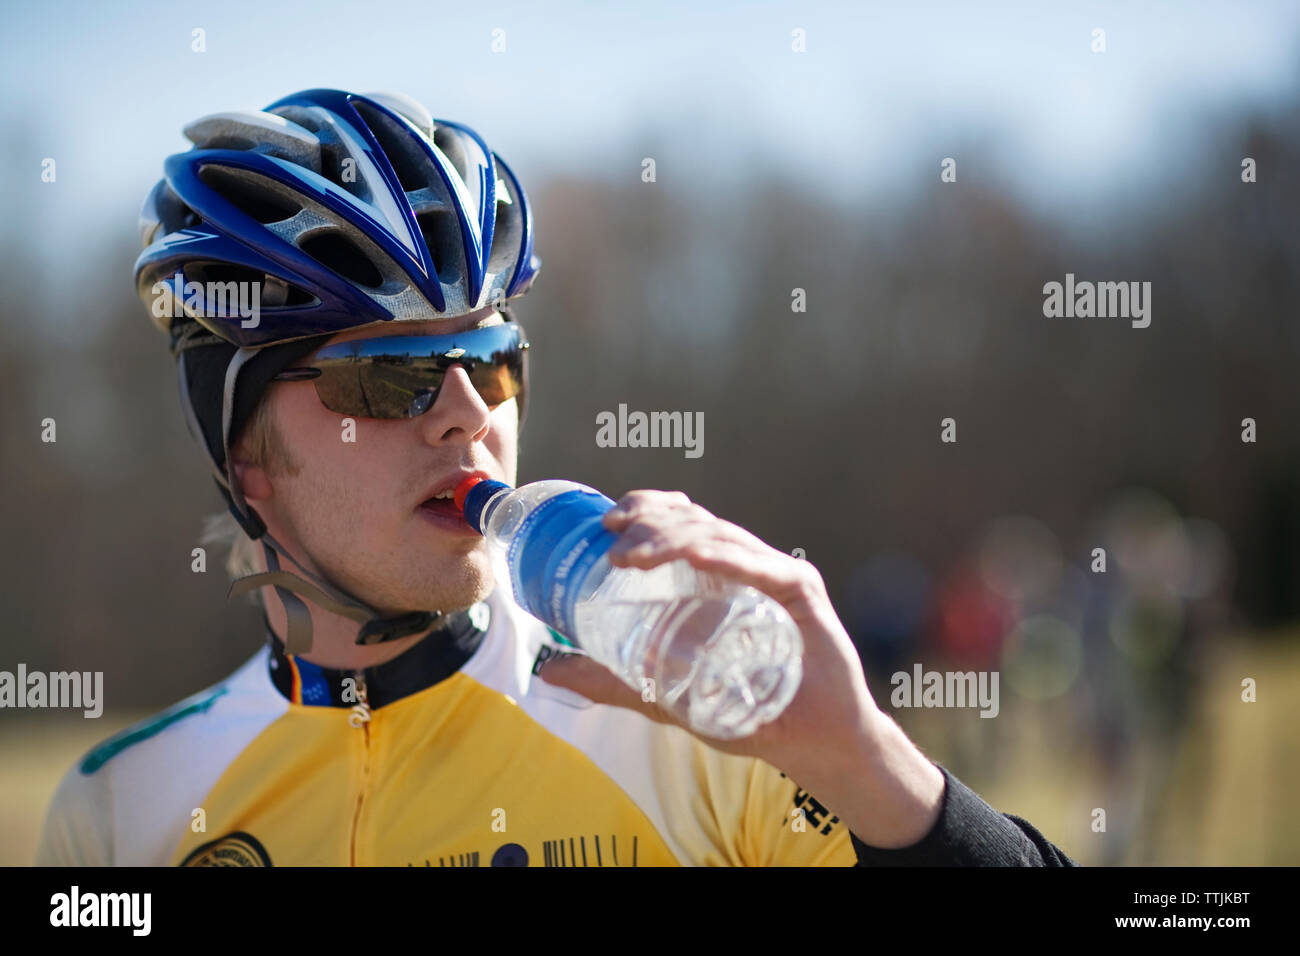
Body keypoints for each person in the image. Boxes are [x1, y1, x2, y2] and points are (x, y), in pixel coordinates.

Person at [36, 88, 1075, 867]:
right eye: (387, 377)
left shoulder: (698, 732)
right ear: (245, 453)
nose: (468, 412)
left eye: (493, 359)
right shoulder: (118, 811)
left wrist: (871, 766)